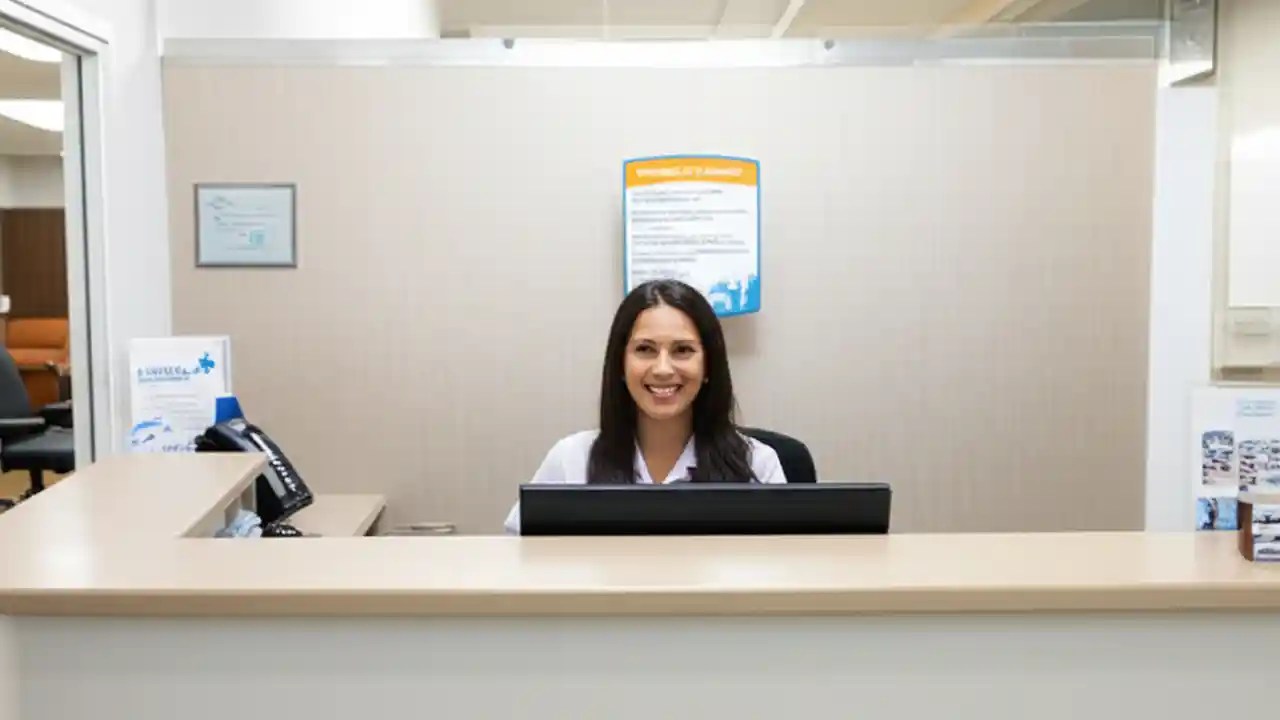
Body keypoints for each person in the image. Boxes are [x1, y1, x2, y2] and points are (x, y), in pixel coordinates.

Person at [503, 279, 787, 533]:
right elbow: (519, 558)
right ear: (621, 365)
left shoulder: (758, 465)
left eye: (682, 350)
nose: (663, 369)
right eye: (645, 349)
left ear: (708, 366)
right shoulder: (571, 461)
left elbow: (782, 567)